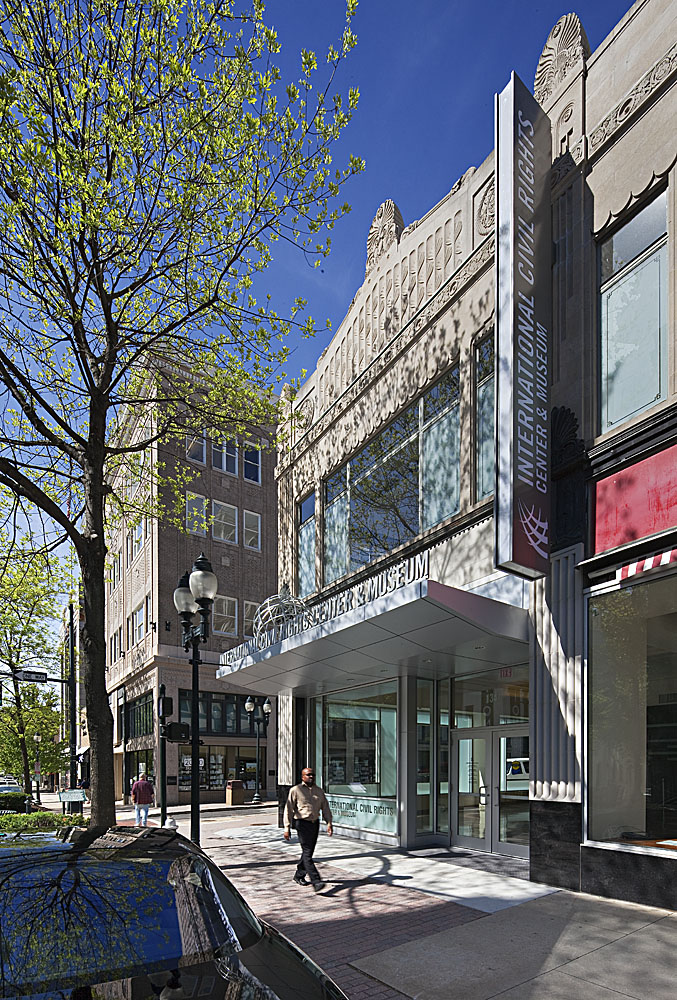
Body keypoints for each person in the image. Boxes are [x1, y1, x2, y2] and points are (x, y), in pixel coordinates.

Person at [283, 767, 333, 892]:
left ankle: (299, 875)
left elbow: (325, 808)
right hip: (302, 823)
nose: (311, 777)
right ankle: (316, 881)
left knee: (308, 852)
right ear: (302, 777)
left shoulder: (319, 791)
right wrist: (287, 828)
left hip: (314, 823)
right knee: (307, 852)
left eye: (312, 775)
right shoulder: (295, 790)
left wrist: (329, 823)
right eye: (308, 775)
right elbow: (288, 809)